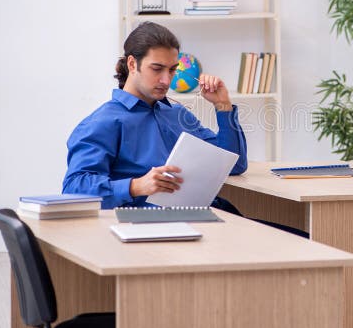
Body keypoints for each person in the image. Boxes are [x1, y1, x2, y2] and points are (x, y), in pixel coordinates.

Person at [62, 22, 247, 210]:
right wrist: (136, 186)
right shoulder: (103, 122)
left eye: (172, 69)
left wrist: (222, 105)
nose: (167, 80)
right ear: (133, 64)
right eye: (157, 69)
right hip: (154, 226)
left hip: (206, 214)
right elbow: (73, 189)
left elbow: (234, 166)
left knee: (276, 230)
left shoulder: (178, 114)